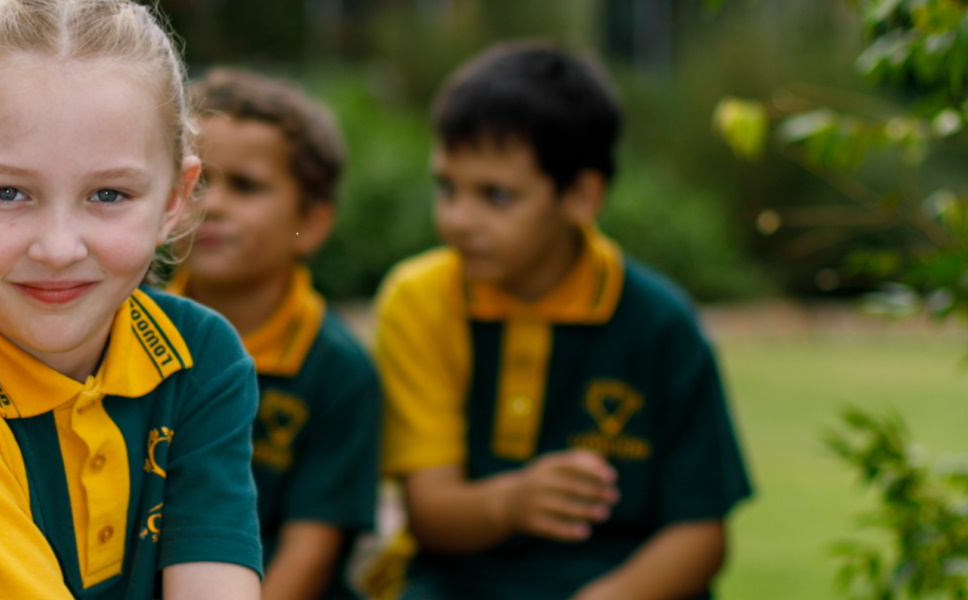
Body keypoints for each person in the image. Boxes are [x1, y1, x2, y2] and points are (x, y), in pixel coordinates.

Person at [0, 1, 262, 598]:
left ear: (176, 199)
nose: (60, 247)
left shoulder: (200, 357)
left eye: (109, 194)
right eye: (9, 192)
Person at [374, 43, 752, 600]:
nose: (457, 219)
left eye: (496, 196)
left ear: (581, 196)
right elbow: (431, 514)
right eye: (447, 187)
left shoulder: (661, 322)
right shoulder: (419, 301)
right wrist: (512, 502)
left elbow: (700, 536)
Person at [170, 68, 380, 600]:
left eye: (245, 186)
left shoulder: (339, 370)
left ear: (309, 222)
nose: (213, 205)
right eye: (198, 182)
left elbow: (310, 551)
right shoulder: (121, 329)